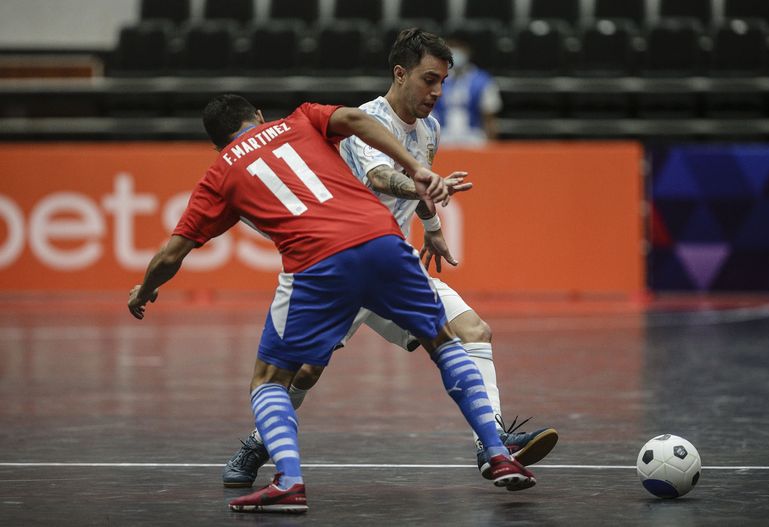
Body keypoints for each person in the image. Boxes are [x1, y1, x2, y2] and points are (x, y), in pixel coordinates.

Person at [128, 94, 537, 513]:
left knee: (270, 379)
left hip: (317, 264)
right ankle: (496, 452)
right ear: (258, 117)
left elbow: (171, 254)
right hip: (382, 242)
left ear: (216, 146)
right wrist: (416, 169)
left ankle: (288, 481)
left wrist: (143, 290)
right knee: (445, 341)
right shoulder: (300, 118)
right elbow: (356, 119)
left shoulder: (219, 174)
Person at [222, 29, 558, 489]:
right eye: (429, 80)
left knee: (474, 331)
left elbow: (415, 190)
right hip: (342, 269)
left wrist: (433, 228)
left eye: (442, 82)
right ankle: (257, 444)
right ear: (399, 74)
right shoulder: (366, 120)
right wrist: (423, 183)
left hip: (393, 269)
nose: (437, 92)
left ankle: (492, 440)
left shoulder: (430, 130)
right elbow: (382, 176)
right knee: (304, 371)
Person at [430, 34, 503, 146]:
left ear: (467, 51)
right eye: (452, 46)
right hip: (443, 136)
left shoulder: (483, 81)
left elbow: (489, 119)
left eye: (459, 47)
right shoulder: (436, 78)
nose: (455, 51)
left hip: (473, 137)